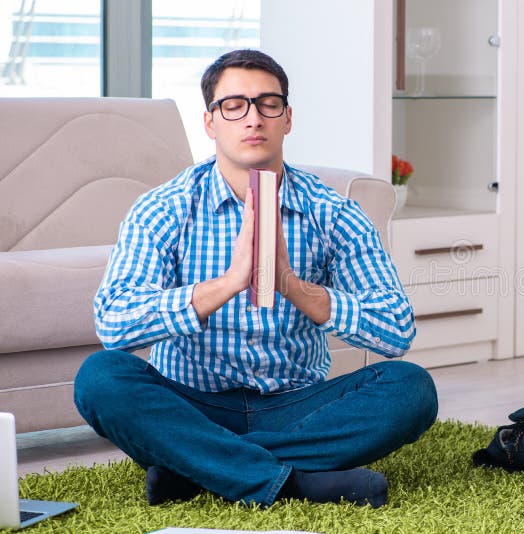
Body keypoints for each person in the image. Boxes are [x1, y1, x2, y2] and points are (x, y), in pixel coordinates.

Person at [73, 49, 437, 509]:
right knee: (100, 378)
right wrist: (228, 283)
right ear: (211, 123)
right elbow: (114, 323)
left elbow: (396, 329)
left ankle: (199, 469)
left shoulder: (332, 211)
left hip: (296, 407)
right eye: (234, 105)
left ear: (287, 119)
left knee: (411, 389)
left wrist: (290, 283)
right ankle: (294, 481)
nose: (253, 119)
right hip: (195, 406)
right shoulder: (164, 208)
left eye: (268, 104)